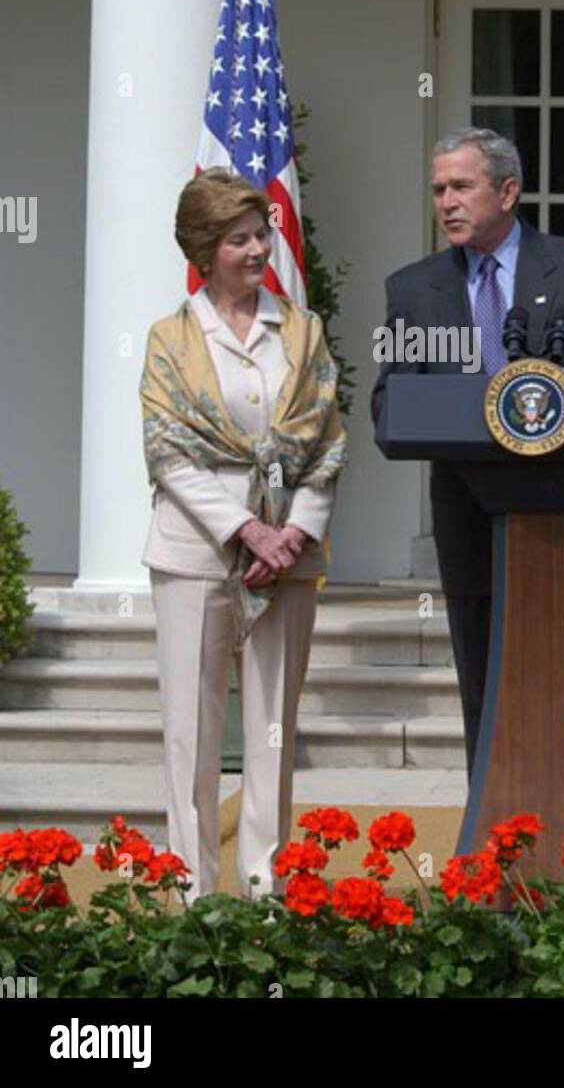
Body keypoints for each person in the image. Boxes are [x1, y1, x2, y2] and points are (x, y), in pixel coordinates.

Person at [370, 128, 564, 784]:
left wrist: (545, 391)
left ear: (507, 191)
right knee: (484, 684)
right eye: (438, 189)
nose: (446, 202)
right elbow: (389, 403)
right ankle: (495, 830)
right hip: (471, 517)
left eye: (461, 187)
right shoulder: (413, 288)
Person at [139, 167, 346, 902]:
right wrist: (248, 530)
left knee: (273, 730)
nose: (259, 249)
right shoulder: (170, 339)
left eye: (261, 234)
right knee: (190, 735)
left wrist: (293, 534)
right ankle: (192, 898)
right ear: (204, 249)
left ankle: (266, 896)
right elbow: (168, 452)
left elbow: (328, 443)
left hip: (289, 559)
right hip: (194, 556)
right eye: (239, 239)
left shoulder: (302, 331)